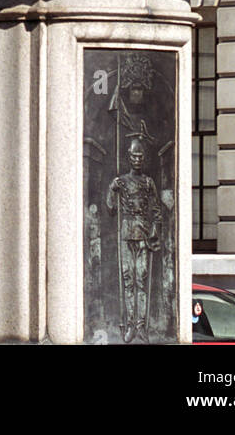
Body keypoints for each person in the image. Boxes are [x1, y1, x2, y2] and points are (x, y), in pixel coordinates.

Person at [106, 136, 162, 344]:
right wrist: (112, 189)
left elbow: (156, 212)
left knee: (142, 280)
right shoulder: (121, 182)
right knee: (128, 281)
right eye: (134, 156)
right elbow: (111, 209)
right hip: (126, 235)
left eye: (140, 156)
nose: (137, 159)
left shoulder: (148, 183)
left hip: (143, 237)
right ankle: (130, 325)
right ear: (129, 157)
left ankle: (141, 326)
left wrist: (155, 234)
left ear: (143, 158)